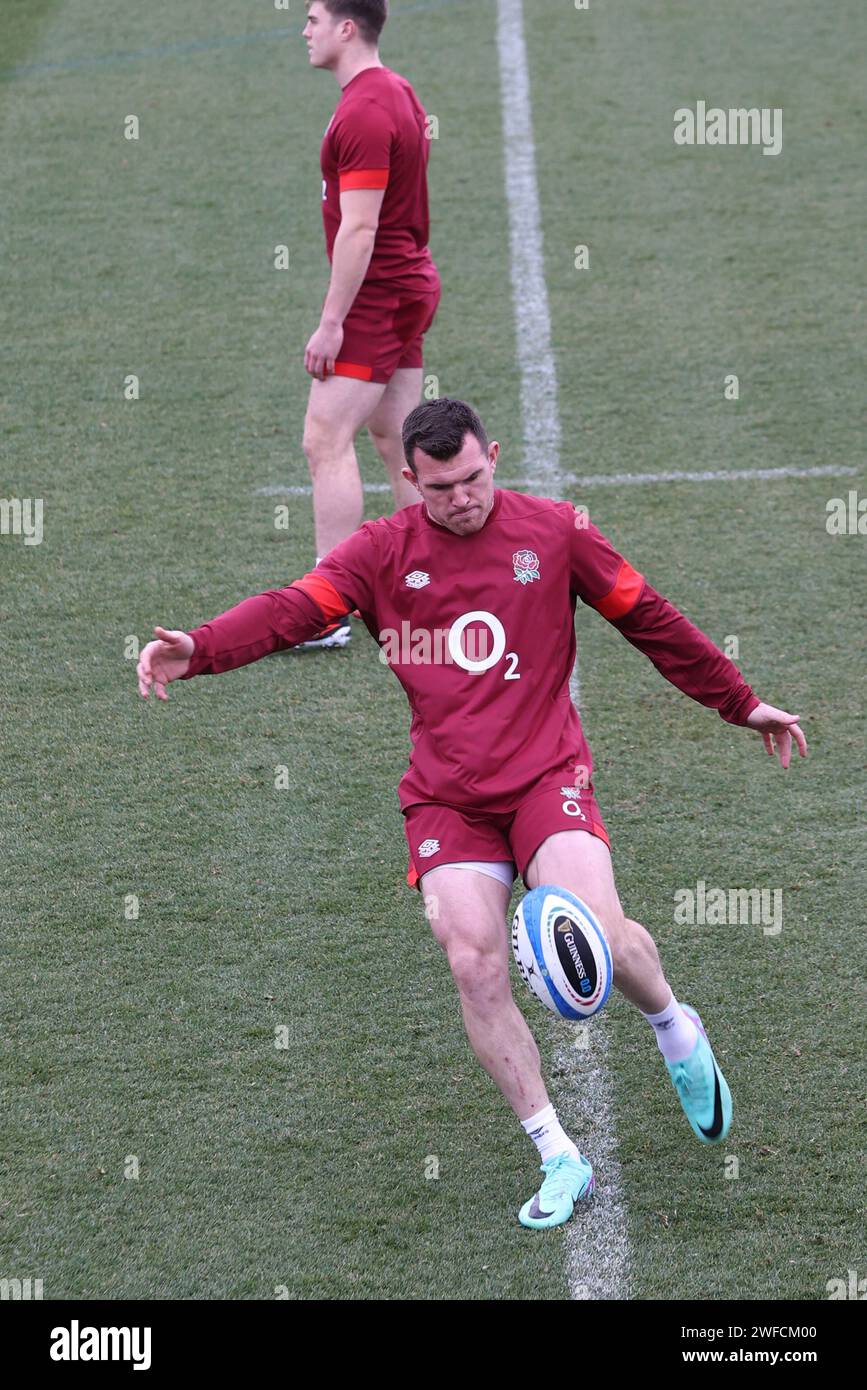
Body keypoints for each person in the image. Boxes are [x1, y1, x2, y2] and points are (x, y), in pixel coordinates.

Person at [137, 398, 807, 1229]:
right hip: (447, 796)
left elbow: (651, 621)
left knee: (600, 932)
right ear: (411, 480)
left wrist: (739, 704)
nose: (463, 498)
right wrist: (198, 649)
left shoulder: (556, 531)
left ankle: (671, 1022)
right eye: (442, 486)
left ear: (494, 456)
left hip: (544, 776)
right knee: (471, 961)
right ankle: (558, 1154)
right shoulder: (379, 553)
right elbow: (291, 611)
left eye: (475, 478)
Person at [299, 0, 441, 647]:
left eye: (312, 18)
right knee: (395, 439)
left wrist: (332, 322)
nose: (304, 30)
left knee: (325, 439)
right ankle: (436, 584)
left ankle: (325, 608)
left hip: (376, 297)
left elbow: (360, 227)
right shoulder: (398, 91)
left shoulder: (361, 110)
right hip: (409, 284)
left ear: (346, 28)